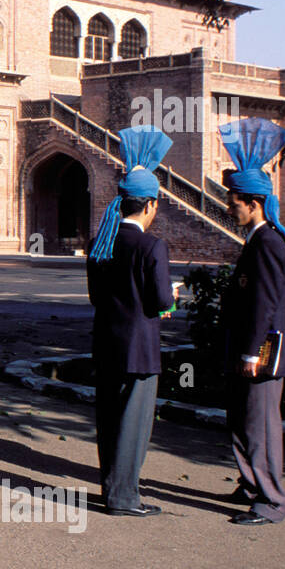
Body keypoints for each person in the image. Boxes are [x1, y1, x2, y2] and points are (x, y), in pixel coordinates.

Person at [217, 118, 285, 526]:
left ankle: (271, 500)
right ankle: (251, 484)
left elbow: (265, 305)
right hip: (249, 349)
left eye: (233, 200)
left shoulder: (268, 244)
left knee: (261, 427)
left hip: (262, 352)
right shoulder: (257, 241)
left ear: (253, 203)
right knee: (241, 420)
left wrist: (252, 352)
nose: (228, 206)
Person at [85, 126, 176, 517]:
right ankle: (124, 498)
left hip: (105, 342)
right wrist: (171, 300)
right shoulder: (152, 246)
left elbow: (95, 296)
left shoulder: (100, 244)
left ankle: (112, 488)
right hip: (138, 349)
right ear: (151, 205)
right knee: (133, 427)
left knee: (108, 421)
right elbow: (159, 301)